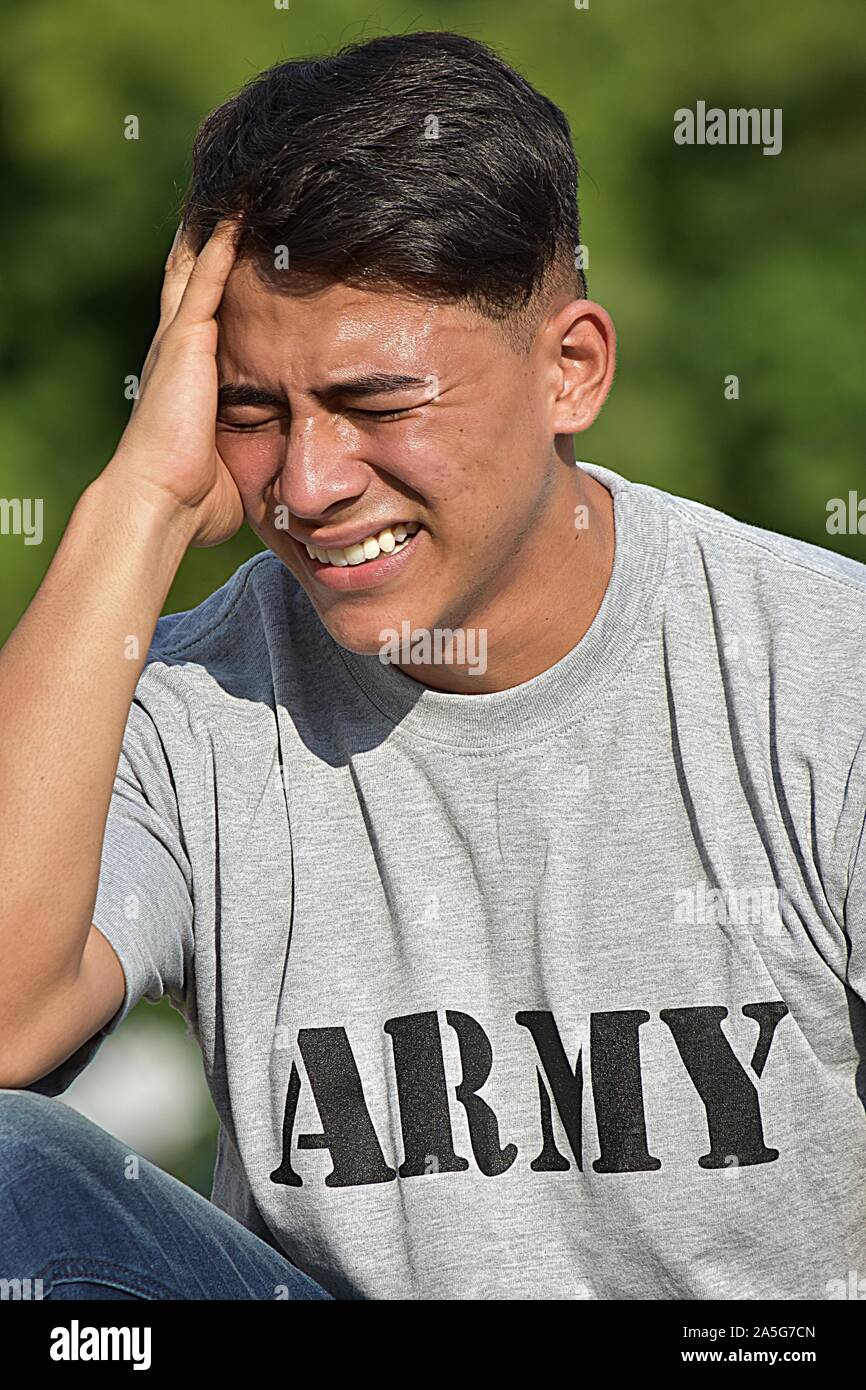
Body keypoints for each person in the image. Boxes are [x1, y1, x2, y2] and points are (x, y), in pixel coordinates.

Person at [1, 29, 864, 1303]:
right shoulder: (191, 706)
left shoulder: (819, 673)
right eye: (250, 411)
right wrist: (141, 495)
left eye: (377, 404)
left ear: (568, 369)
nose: (307, 483)